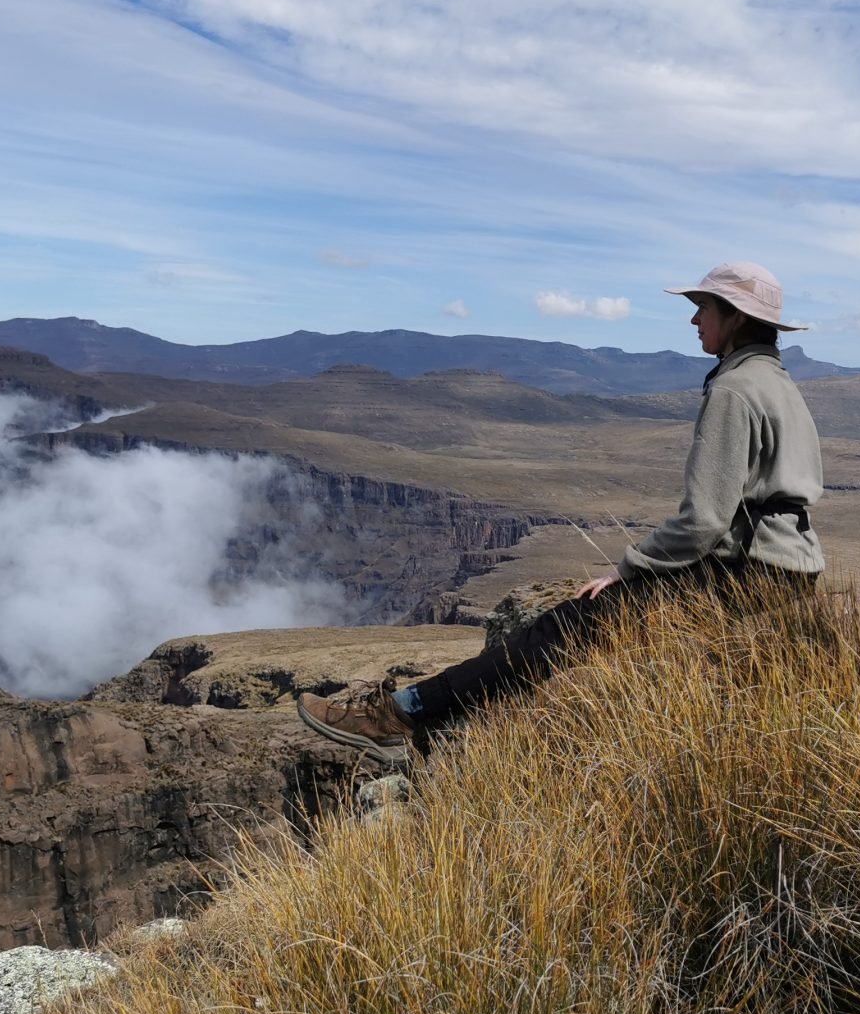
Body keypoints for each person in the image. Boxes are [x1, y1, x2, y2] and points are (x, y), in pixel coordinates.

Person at [295, 259, 825, 758]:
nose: (694, 318)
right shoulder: (779, 384)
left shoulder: (734, 389)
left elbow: (704, 520)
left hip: (747, 572)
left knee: (564, 629)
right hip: (789, 570)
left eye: (704, 308)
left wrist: (629, 567)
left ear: (735, 318)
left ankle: (397, 716)